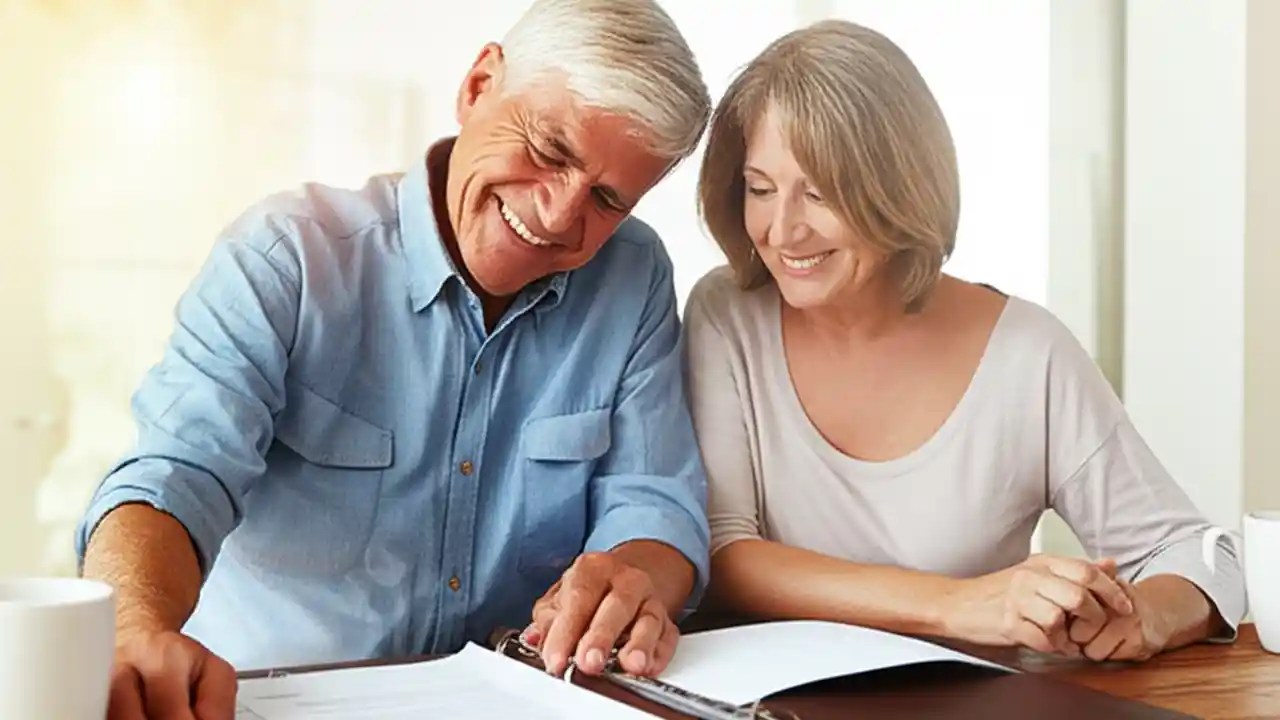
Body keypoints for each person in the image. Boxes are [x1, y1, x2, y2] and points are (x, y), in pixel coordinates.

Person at [76, 1, 713, 716]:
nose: (560, 216)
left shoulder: (633, 277)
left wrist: (632, 577)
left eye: (605, 198)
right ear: (478, 86)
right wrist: (133, 626)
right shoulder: (287, 260)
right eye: (549, 150)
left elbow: (655, 503)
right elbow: (175, 477)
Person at [684, 20, 1246, 662]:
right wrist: (961, 603)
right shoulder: (726, 313)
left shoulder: (1027, 354)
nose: (782, 229)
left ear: (899, 189)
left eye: (818, 193)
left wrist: (1145, 616)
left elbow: (1202, 556)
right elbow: (723, 552)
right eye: (760, 189)